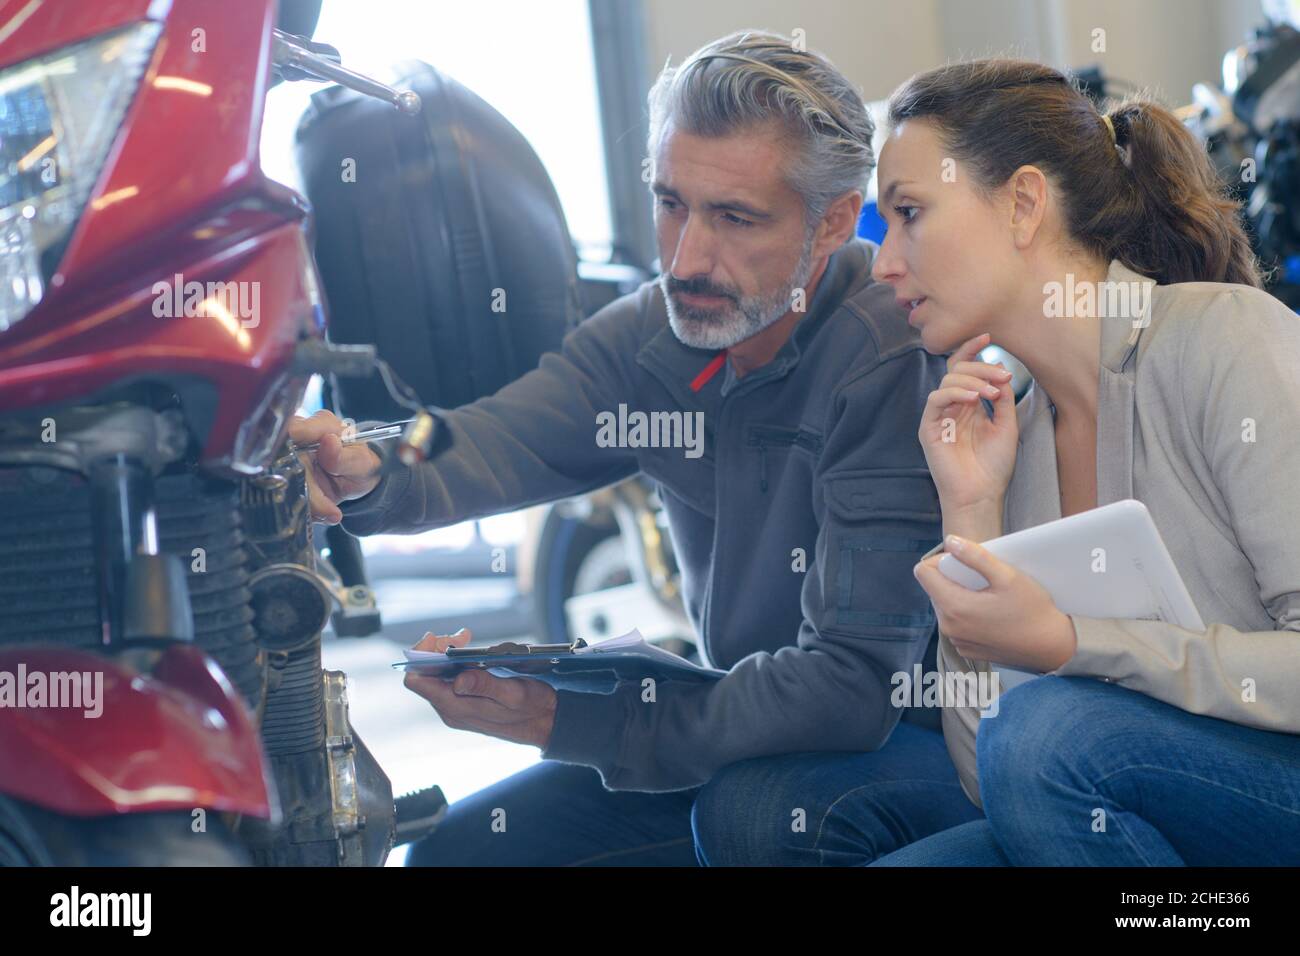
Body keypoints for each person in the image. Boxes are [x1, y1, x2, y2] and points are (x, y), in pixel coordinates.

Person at [290, 31, 980, 866]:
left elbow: (851, 689)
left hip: (924, 747)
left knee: (753, 817)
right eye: (670, 203)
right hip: (756, 726)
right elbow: (491, 435)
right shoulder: (660, 332)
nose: (688, 258)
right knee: (461, 855)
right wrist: (369, 463)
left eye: (734, 217)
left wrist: (573, 720)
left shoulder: (886, 353)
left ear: (833, 220)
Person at [856, 58, 1300, 866]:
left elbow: (1045, 739)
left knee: (1050, 733)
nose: (884, 261)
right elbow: (989, 781)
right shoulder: (1007, 436)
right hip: (1102, 794)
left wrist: (1072, 642)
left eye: (910, 213)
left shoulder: (1226, 336)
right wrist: (971, 514)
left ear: (1024, 204)